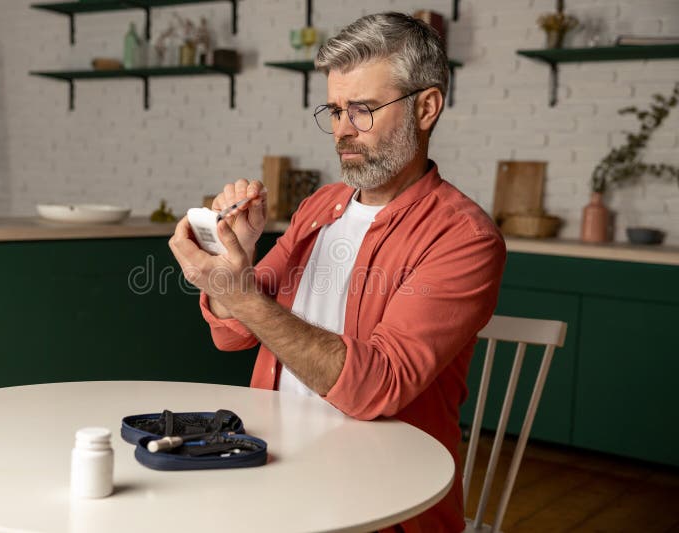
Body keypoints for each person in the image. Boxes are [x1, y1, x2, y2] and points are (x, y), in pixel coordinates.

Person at [169, 12, 506, 533]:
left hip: (382, 502)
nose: (343, 130)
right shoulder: (320, 206)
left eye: (364, 110)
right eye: (335, 110)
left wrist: (243, 294)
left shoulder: (463, 237)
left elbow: (378, 385)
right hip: (272, 470)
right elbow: (231, 333)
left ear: (426, 107)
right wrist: (239, 255)